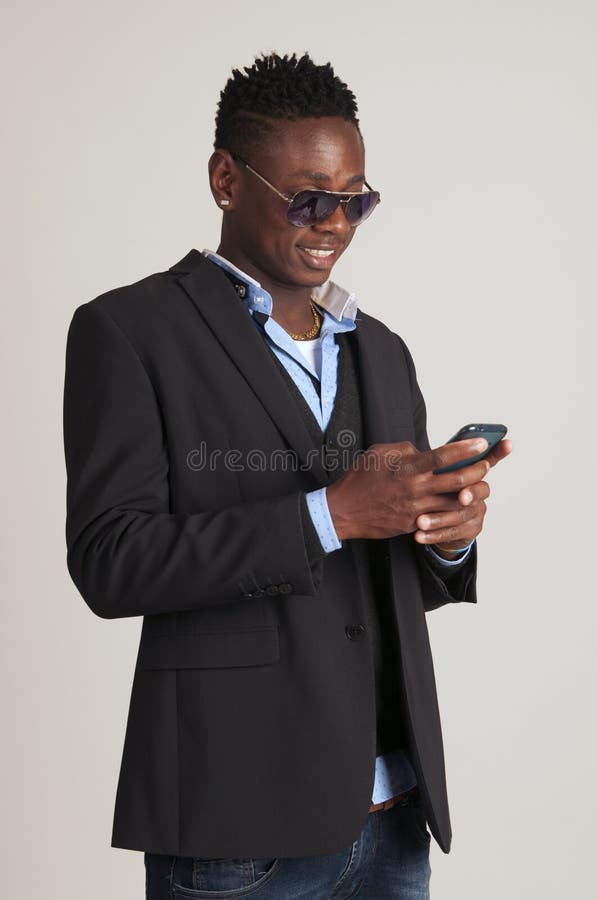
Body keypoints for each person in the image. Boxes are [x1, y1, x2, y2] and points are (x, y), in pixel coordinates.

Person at [63, 52, 511, 899]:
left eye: (356, 201)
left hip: (395, 810)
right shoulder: (128, 331)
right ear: (226, 179)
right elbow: (110, 560)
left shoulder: (383, 349)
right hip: (239, 820)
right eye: (309, 197)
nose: (334, 223)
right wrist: (328, 514)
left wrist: (445, 533)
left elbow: (381, 575)